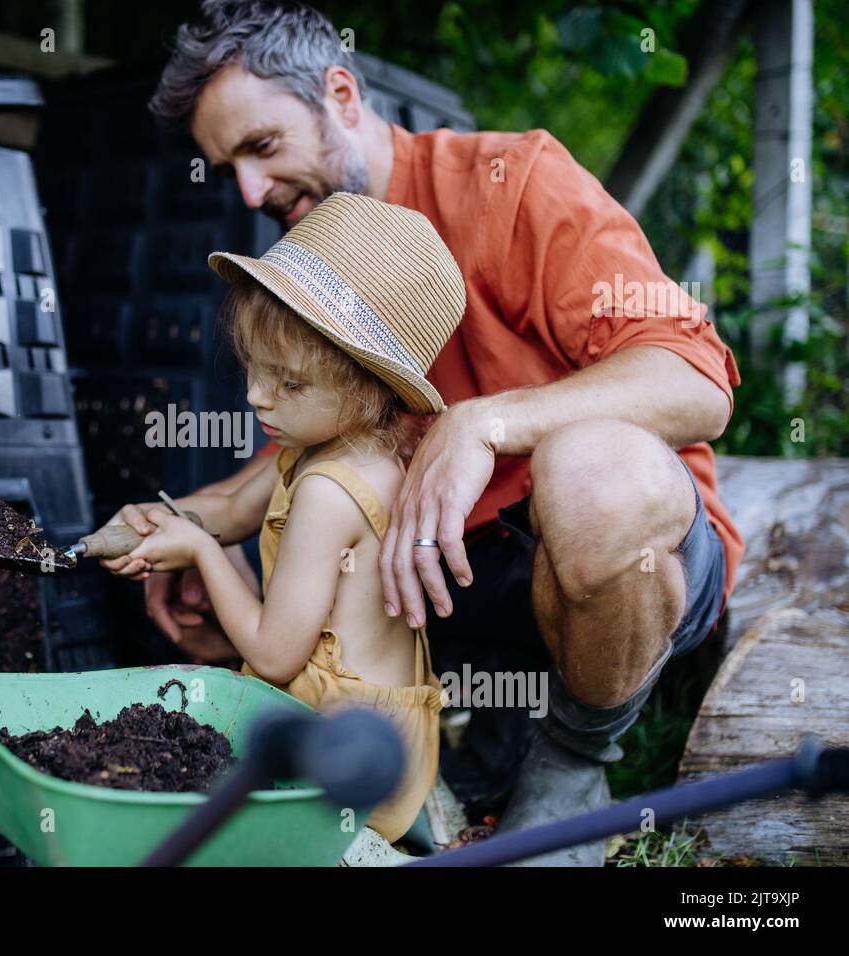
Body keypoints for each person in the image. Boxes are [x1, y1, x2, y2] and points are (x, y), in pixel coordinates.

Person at [109, 0, 743, 866]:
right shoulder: (320, 252)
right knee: (325, 509)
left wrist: (486, 424)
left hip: (630, 560)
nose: (250, 194)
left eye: (261, 148)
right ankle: (442, 753)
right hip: (461, 588)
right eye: (228, 170)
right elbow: (284, 464)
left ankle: (574, 763)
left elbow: (696, 380)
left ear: (340, 92)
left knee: (591, 473)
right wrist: (171, 533)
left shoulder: (514, 183)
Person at [108, 192, 466, 846]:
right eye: (251, 366)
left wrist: (202, 553)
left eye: (289, 383)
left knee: (159, 753)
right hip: (385, 739)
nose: (254, 395)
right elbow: (236, 513)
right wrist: (171, 524)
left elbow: (275, 657)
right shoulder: (370, 453)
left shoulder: (328, 491)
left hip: (337, 754)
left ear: (368, 385)